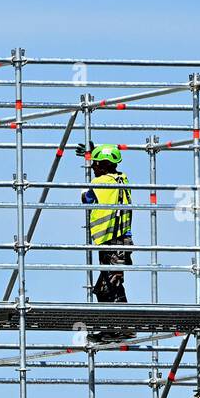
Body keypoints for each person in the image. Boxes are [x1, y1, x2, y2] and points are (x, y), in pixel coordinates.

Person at [81, 142, 134, 343]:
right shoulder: (121, 179)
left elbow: (86, 198)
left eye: (95, 164)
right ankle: (111, 329)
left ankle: (126, 328)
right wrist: (94, 154)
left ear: (103, 165)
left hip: (114, 242)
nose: (92, 168)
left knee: (114, 284)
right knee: (104, 289)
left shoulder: (101, 183)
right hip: (116, 242)